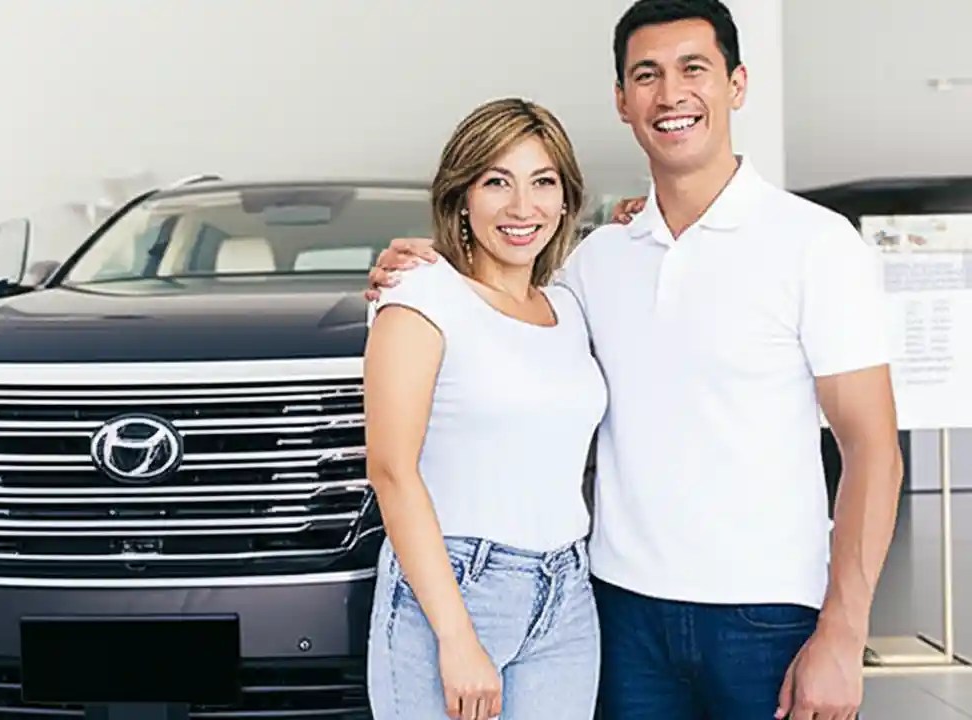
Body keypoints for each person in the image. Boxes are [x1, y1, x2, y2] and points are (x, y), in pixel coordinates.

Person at [364, 1, 904, 719]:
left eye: (694, 70)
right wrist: (416, 268)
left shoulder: (816, 245)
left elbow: (872, 449)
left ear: (736, 85)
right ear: (622, 100)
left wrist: (844, 630)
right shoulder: (596, 262)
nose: (670, 94)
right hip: (616, 613)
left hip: (766, 617)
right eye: (645, 75)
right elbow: (496, 321)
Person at [363, 97, 607, 720]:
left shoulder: (569, 308)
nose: (523, 207)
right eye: (497, 181)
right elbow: (392, 470)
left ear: (564, 198)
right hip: (456, 587)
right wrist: (456, 636)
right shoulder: (421, 296)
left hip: (567, 594)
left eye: (543, 182)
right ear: (461, 197)